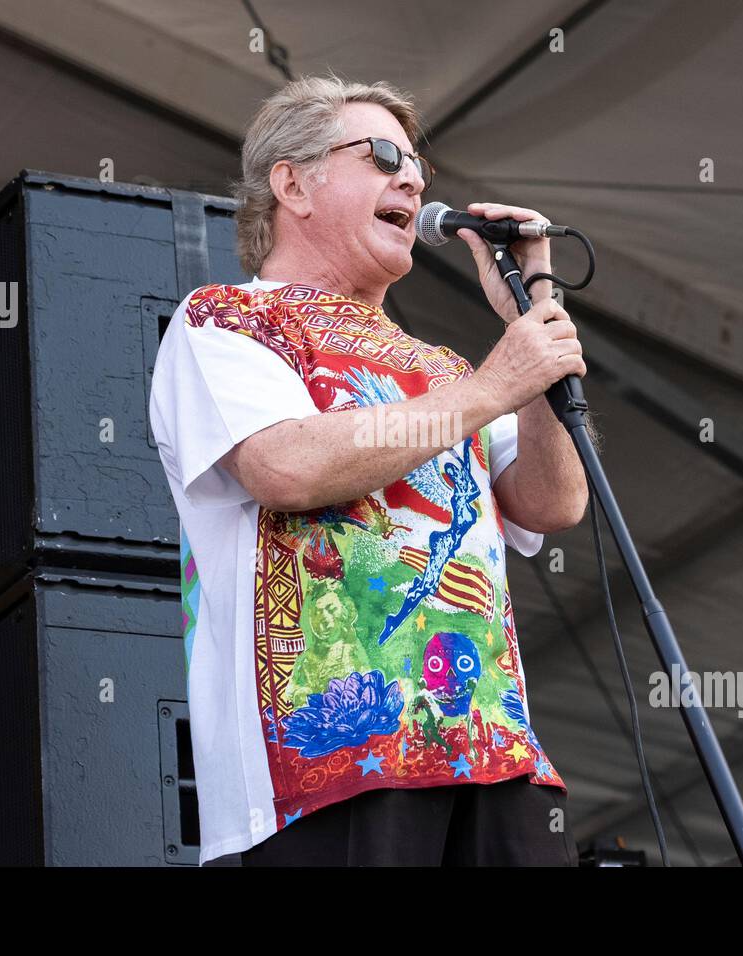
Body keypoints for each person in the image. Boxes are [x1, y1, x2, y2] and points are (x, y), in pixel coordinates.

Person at [149, 73, 589, 866]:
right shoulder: (227, 319)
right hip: (331, 756)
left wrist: (532, 316)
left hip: (494, 750)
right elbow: (284, 466)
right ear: (293, 184)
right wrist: (492, 386)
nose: (413, 179)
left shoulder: (443, 366)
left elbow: (553, 503)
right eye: (382, 155)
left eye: (417, 165)